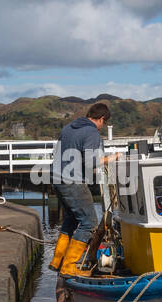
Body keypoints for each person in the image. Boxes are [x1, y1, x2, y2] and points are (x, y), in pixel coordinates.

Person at [49, 102, 116, 277]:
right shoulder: (92, 132)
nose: (102, 127)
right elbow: (91, 162)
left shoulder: (68, 128)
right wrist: (112, 158)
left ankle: (57, 261)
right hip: (72, 181)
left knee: (71, 219)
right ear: (101, 119)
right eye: (104, 123)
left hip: (56, 179)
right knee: (89, 223)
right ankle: (69, 266)